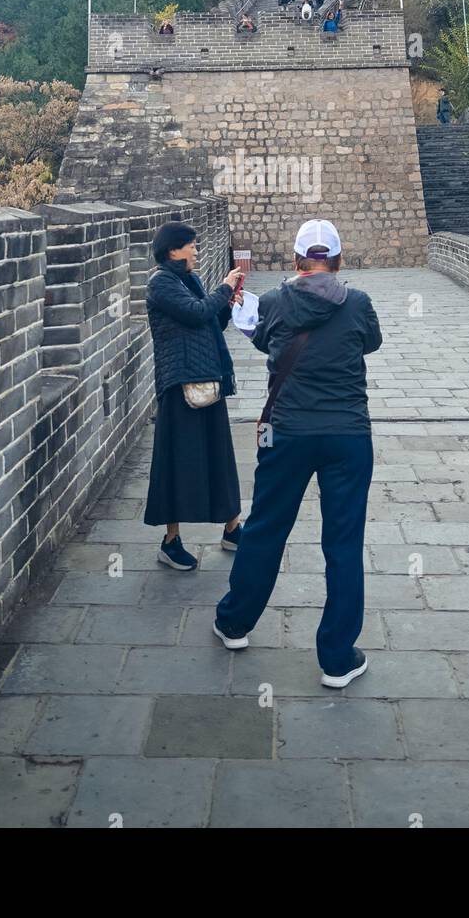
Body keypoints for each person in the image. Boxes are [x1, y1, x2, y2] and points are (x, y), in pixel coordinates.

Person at [213, 220, 382, 688]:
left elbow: (265, 339)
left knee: (266, 528)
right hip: (348, 436)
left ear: (296, 261)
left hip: (284, 433)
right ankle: (336, 658)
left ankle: (234, 624)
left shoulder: (273, 302)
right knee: (343, 545)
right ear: (339, 261)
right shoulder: (359, 302)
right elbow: (371, 342)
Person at [144, 222, 245, 569]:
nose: (197, 251)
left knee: (218, 454)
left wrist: (228, 301)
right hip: (178, 385)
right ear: (173, 250)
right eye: (191, 245)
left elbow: (211, 322)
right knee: (178, 463)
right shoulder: (160, 284)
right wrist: (223, 289)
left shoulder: (191, 280)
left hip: (207, 378)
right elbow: (195, 313)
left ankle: (232, 528)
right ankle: (170, 541)